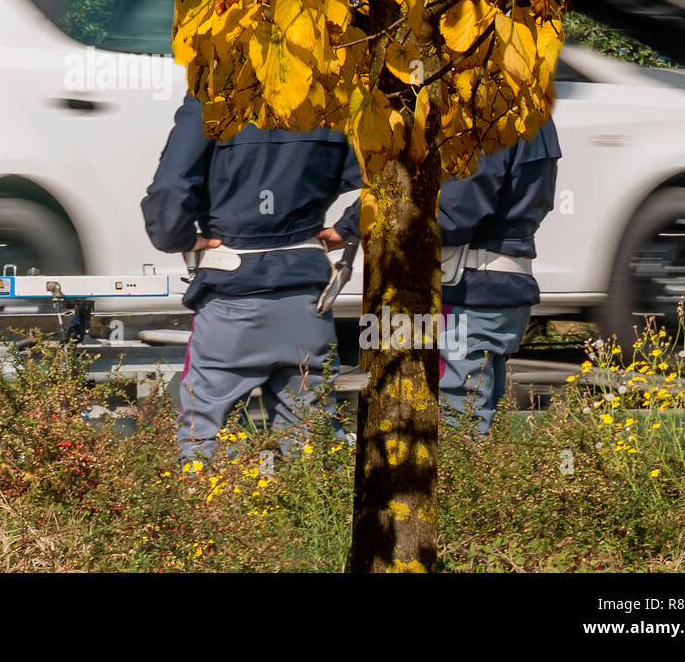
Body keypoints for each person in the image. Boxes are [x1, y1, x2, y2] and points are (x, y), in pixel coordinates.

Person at [142, 94, 362, 460]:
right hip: (306, 303)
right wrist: (348, 227)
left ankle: (205, 513)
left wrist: (177, 237)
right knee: (312, 447)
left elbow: (170, 189)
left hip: (230, 302)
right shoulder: (332, 94)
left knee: (201, 444)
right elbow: (392, 174)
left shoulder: (213, 95)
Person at [331, 117, 561, 433]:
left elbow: (452, 214)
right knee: (481, 428)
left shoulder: (487, 113)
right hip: (502, 288)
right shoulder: (532, 110)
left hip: (465, 294)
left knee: (456, 433)